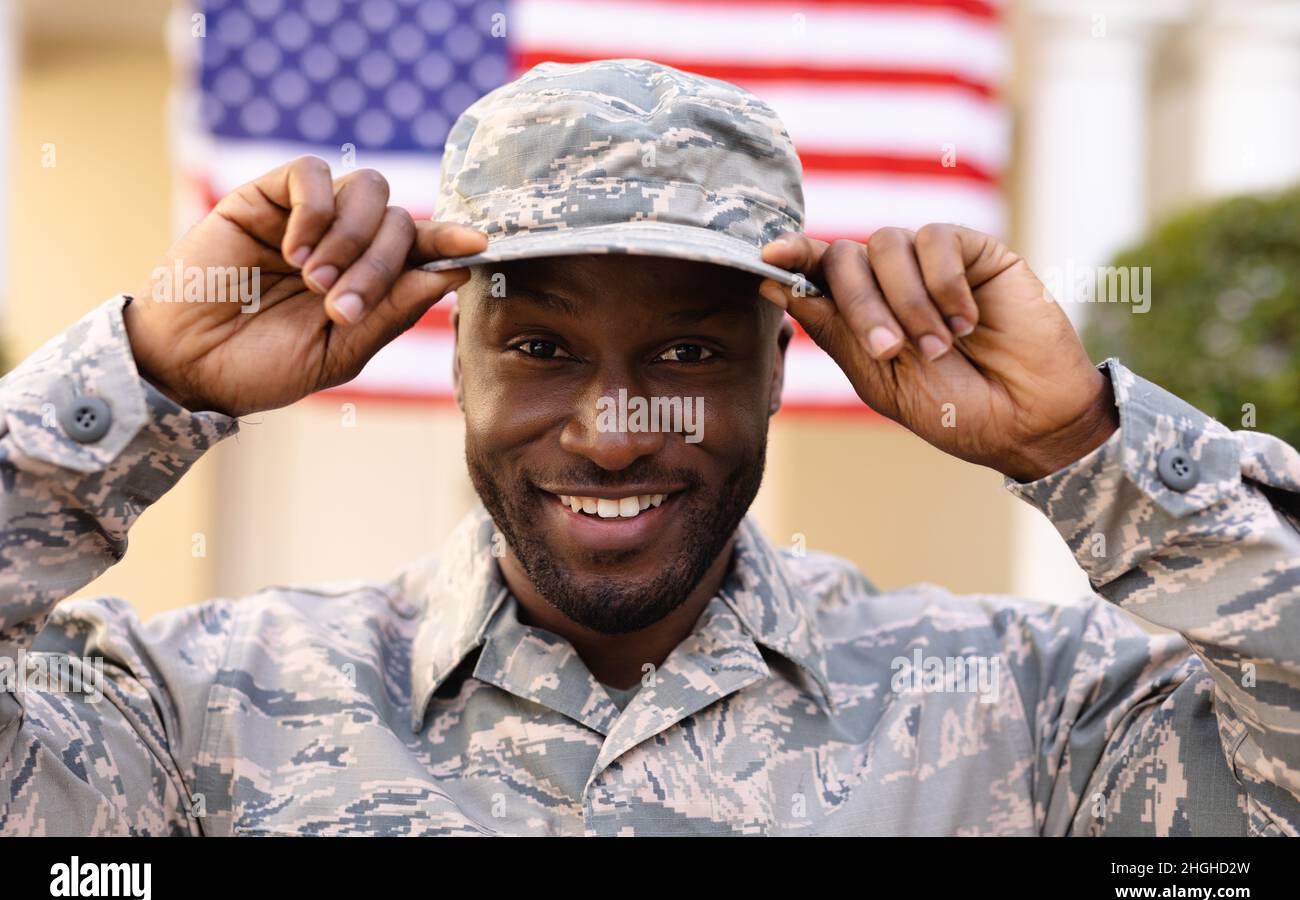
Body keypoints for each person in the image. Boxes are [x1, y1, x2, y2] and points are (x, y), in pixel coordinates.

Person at [1, 59, 1296, 836]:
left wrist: (1084, 444)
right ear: (452, 356)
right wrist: (142, 382)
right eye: (543, 348)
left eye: (688, 353)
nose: (614, 433)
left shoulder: (1026, 717)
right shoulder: (195, 715)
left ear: (782, 365)